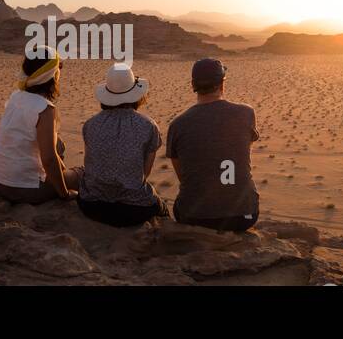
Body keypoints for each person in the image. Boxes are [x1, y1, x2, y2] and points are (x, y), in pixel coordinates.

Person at [165, 58, 260, 232]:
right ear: (222, 84)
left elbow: (183, 176)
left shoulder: (178, 124)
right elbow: (244, 157)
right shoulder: (246, 113)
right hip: (244, 216)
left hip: (192, 216)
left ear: (193, 85)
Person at [76, 63, 168, 227]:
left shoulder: (90, 124)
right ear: (136, 94)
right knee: (163, 209)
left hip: (91, 206)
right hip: (133, 209)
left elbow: (91, 162)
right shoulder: (148, 126)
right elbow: (144, 173)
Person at [0, 45, 81, 203]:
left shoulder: (16, 96)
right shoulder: (44, 109)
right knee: (81, 175)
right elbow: (49, 159)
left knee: (58, 144)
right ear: (52, 75)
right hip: (23, 188)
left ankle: (54, 175)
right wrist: (64, 194)